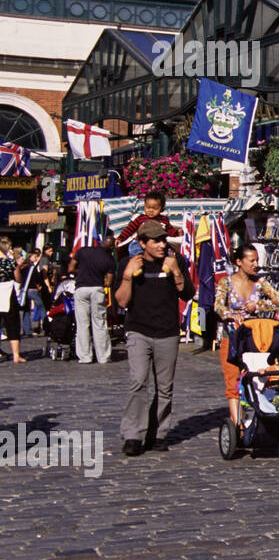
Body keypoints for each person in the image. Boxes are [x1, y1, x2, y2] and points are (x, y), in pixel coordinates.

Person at [113, 220, 195, 456]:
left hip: (167, 332)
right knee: (138, 381)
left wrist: (177, 271)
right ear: (142, 243)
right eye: (156, 241)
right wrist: (128, 276)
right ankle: (133, 435)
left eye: (163, 240)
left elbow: (188, 293)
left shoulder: (174, 261)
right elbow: (121, 301)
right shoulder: (128, 264)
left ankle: (157, 433)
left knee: (165, 387)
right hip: (138, 330)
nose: (161, 245)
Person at [214, 245, 279, 425]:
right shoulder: (226, 282)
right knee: (232, 382)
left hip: (255, 339)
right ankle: (237, 425)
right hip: (231, 337)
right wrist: (231, 315)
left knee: (259, 378)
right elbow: (218, 306)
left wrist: (258, 306)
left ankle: (259, 418)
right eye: (251, 260)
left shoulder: (260, 283)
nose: (256, 264)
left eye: (257, 260)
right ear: (239, 261)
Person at [69, 231, 117, 364]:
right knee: (100, 323)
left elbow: (71, 268)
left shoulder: (83, 251)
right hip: (97, 289)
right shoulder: (109, 260)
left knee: (82, 324)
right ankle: (103, 356)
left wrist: (82, 272)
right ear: (111, 247)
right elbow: (108, 282)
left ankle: (85, 356)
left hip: (81, 288)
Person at [117, 192, 177, 257]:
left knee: (171, 253)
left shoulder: (163, 220)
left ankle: (167, 265)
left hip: (158, 242)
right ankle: (140, 262)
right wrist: (120, 238)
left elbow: (170, 230)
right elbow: (129, 229)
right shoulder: (140, 219)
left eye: (155, 208)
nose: (151, 210)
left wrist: (177, 233)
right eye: (148, 207)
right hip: (141, 242)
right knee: (134, 249)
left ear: (162, 209)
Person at [0, 237, 28, 363]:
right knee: (12, 324)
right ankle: (16, 355)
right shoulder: (10, 262)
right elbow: (18, 277)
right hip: (8, 292)